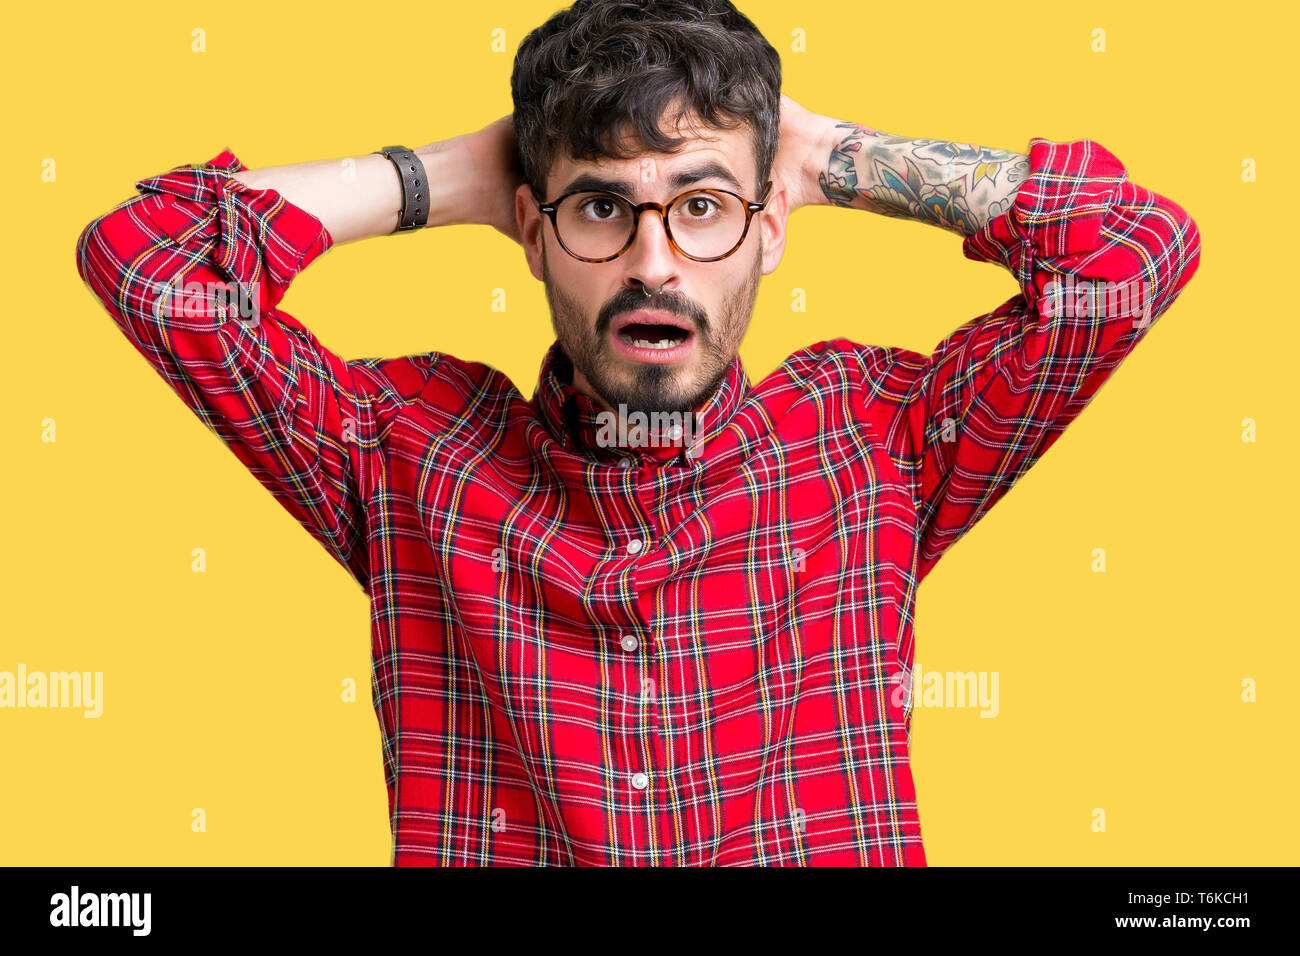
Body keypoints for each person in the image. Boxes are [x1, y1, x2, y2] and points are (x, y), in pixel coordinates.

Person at [74, 0, 1201, 865]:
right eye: (601, 205)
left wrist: (827, 154)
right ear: (530, 224)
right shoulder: (405, 449)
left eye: (702, 205)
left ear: (771, 229)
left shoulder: (874, 440)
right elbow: (149, 259)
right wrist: (453, 175)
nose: (653, 262)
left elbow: (1129, 251)